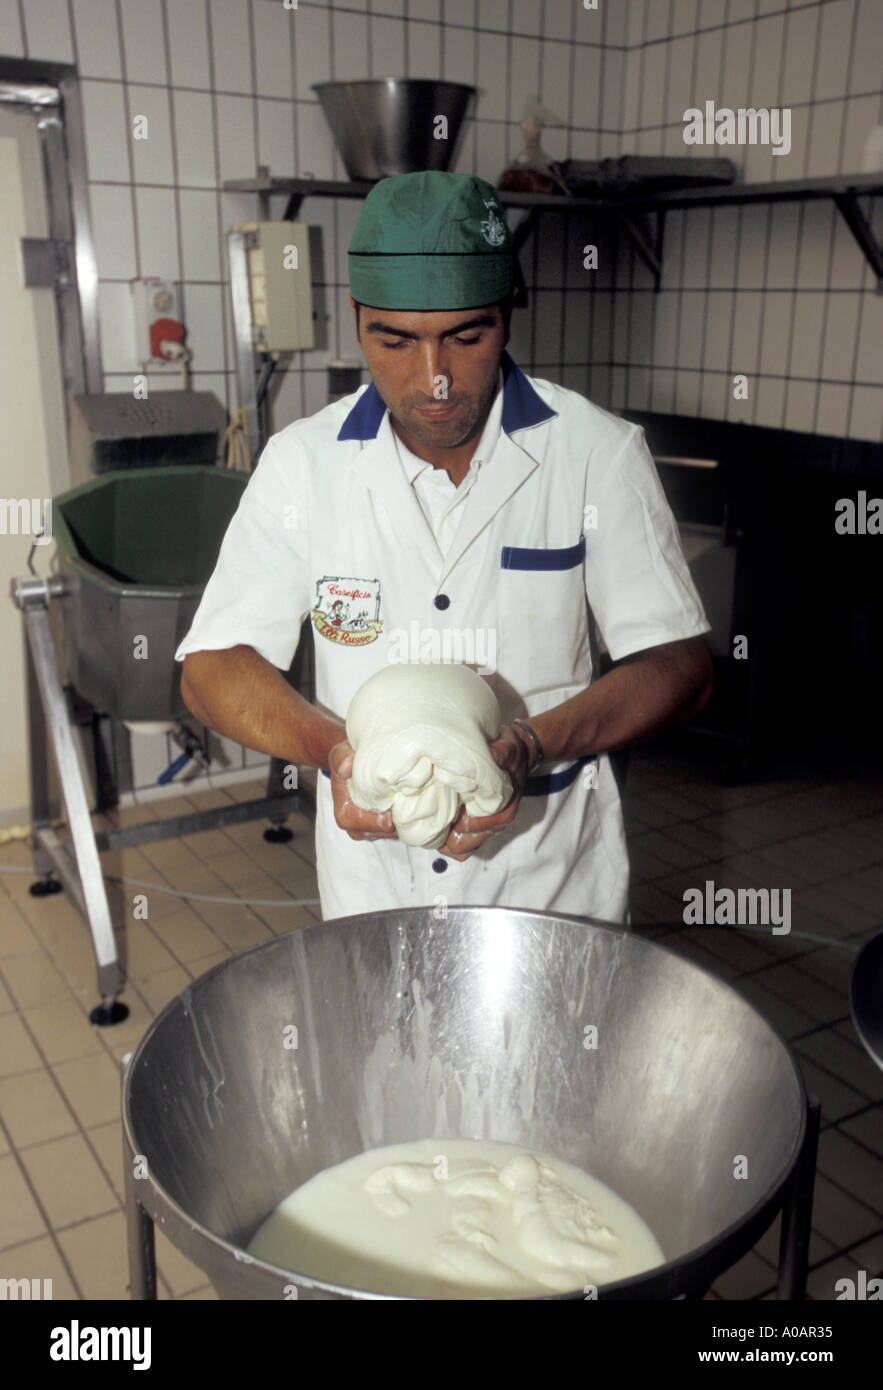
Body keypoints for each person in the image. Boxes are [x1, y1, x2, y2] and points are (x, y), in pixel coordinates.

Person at [176, 171, 712, 923]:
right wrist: (333, 751)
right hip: (374, 889)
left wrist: (530, 744)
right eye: (394, 341)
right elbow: (210, 668)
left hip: (548, 881)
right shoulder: (305, 463)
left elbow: (680, 668)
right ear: (357, 321)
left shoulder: (595, 452)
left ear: (508, 317)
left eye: (466, 337)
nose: (433, 380)